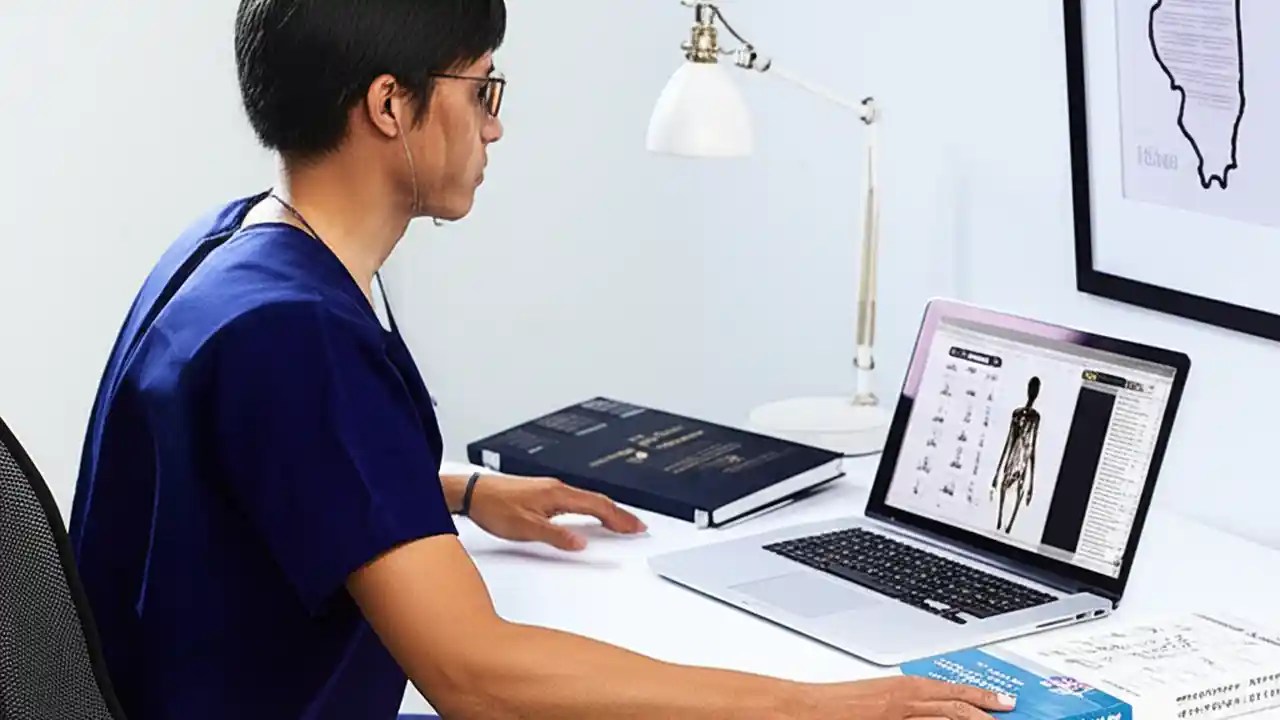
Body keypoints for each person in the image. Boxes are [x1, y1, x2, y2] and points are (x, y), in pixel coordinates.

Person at [68, 1, 1017, 718]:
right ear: (391, 104)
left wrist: (454, 493)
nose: (493, 128)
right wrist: (822, 703)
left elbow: (240, 470)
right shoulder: (295, 332)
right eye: (482, 91)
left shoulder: (237, 246)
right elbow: (473, 674)